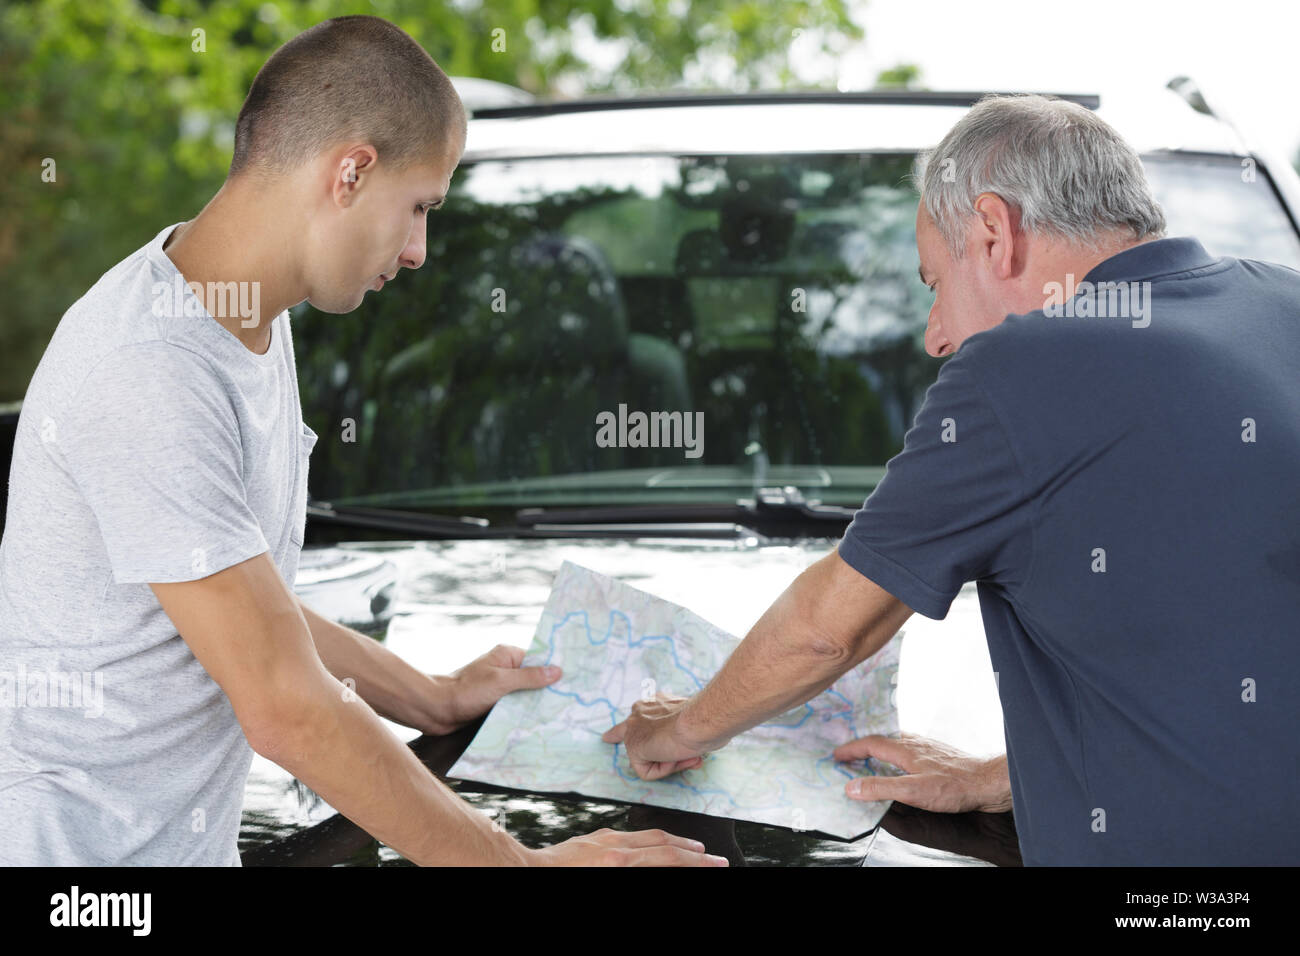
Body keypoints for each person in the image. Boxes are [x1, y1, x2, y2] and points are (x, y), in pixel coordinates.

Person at [0, 14, 723, 867]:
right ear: (350, 171)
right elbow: (285, 703)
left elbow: (241, 602)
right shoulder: (150, 367)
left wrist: (432, 697)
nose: (418, 250)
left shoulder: (247, 320)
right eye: (419, 207)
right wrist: (525, 866)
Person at [606, 93, 1300, 866]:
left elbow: (830, 629)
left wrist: (673, 732)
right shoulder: (1287, 301)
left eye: (933, 282)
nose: (937, 335)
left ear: (996, 233)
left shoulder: (1026, 365)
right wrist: (1015, 777)